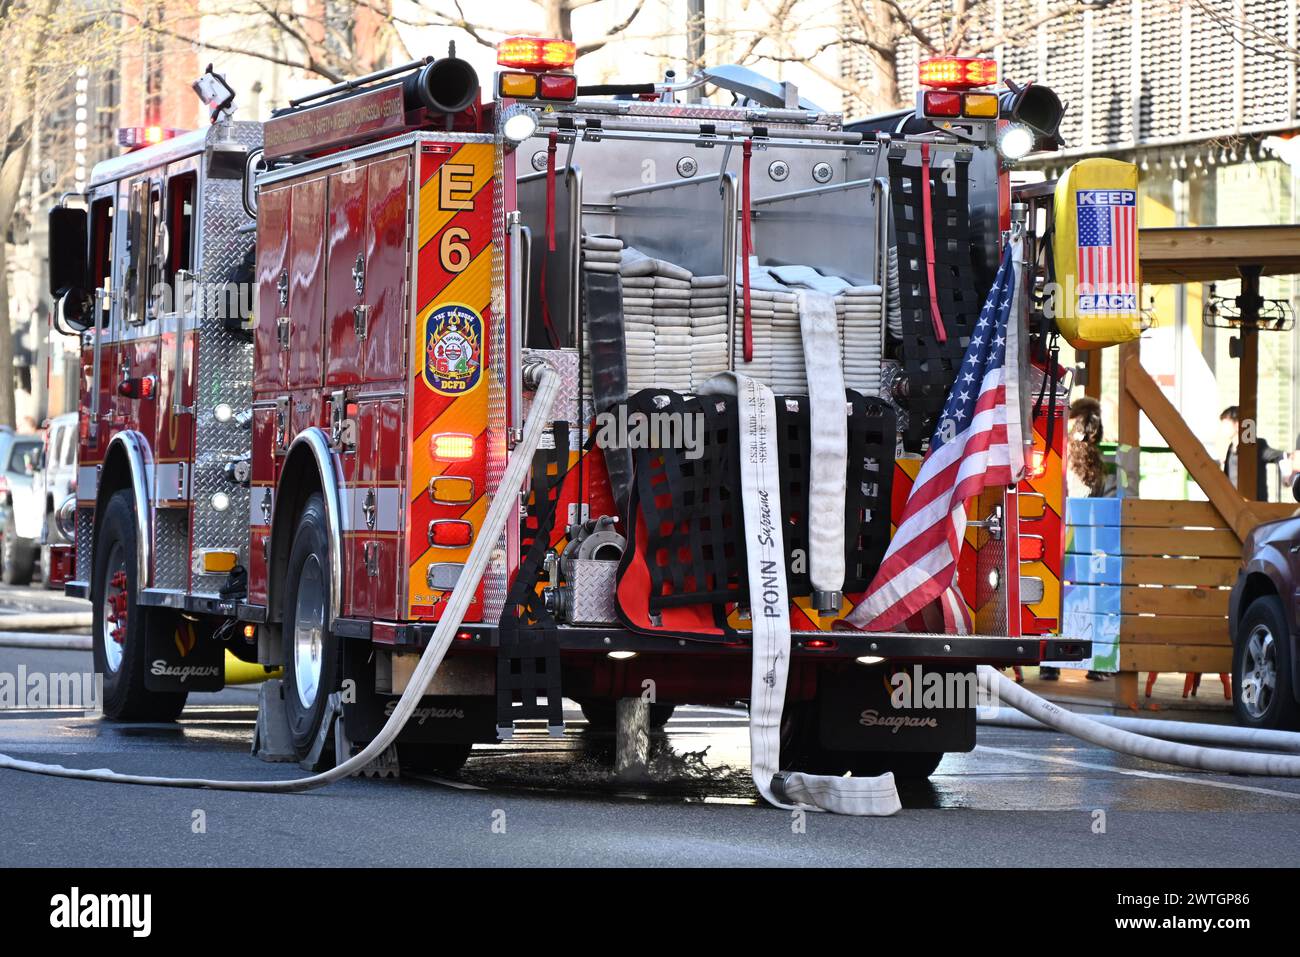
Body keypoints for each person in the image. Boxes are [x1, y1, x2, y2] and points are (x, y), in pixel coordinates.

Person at [1043, 396, 1113, 681]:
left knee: (1065, 598)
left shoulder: (1063, 455)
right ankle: (1092, 661)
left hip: (1064, 535)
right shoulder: (1097, 461)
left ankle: (1051, 662)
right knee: (1090, 597)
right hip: (1089, 539)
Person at [1219, 406, 1282, 502]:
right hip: (1233, 505)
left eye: (1225, 423)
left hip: (1255, 506)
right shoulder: (1230, 448)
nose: (1223, 428)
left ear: (1237, 424)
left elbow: (1276, 455)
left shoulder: (1257, 446)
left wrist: (1291, 458)